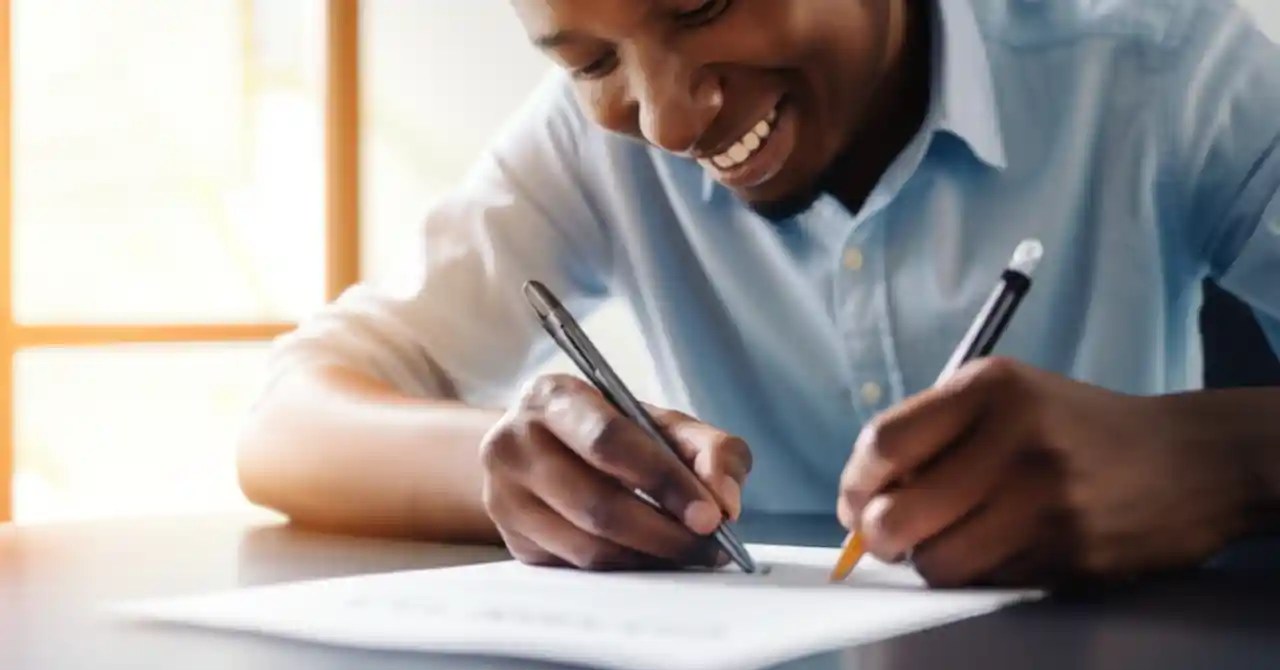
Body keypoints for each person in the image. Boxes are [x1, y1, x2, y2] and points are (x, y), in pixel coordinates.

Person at [237, 0, 1280, 587]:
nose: (667, 122)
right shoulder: (583, 145)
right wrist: (503, 469)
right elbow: (285, 419)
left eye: (701, 5)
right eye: (593, 59)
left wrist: (1223, 461)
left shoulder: (1157, 68)